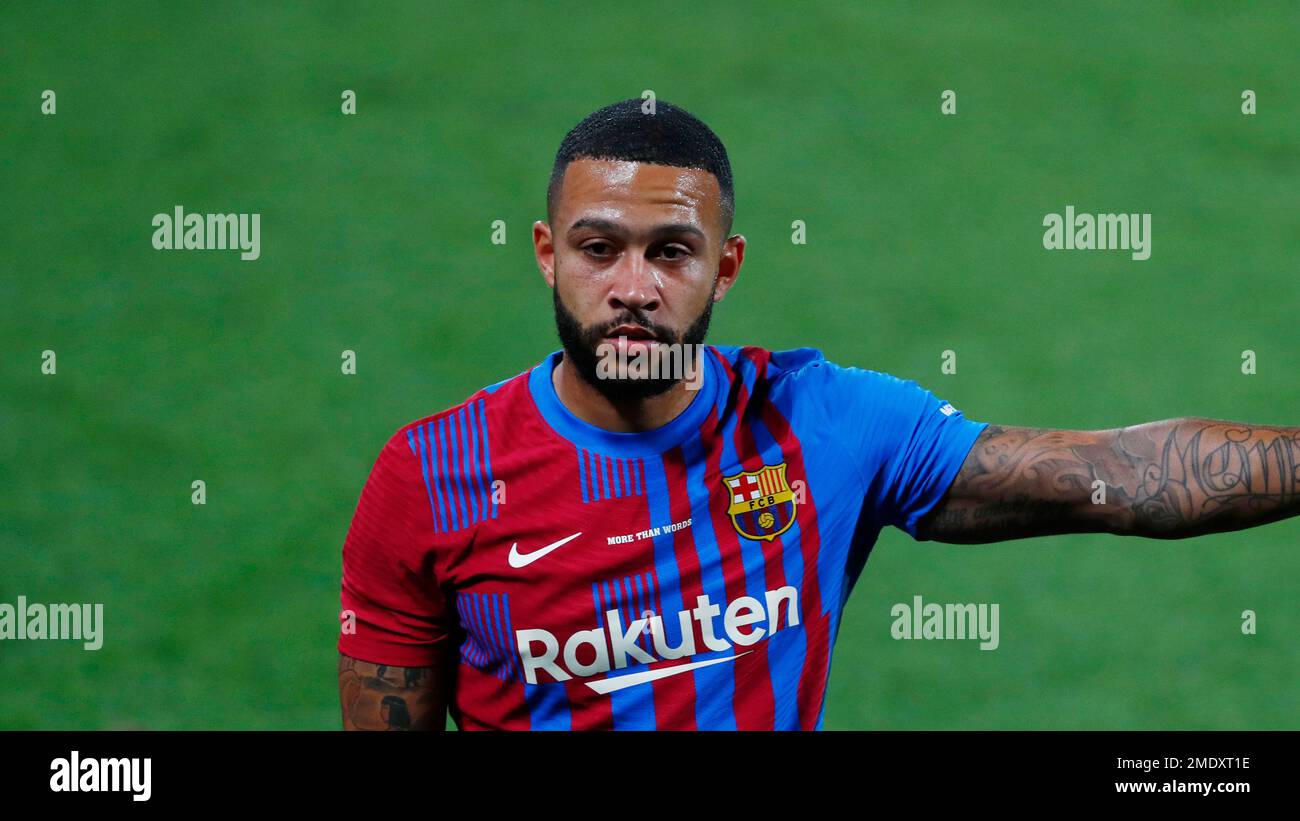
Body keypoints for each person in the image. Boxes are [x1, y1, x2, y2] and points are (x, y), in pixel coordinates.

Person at [337, 98, 1299, 730]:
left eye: (672, 251)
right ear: (548, 254)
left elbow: (1122, 476)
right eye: (599, 249)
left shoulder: (825, 423)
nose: (633, 286)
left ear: (726, 266)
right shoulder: (432, 476)